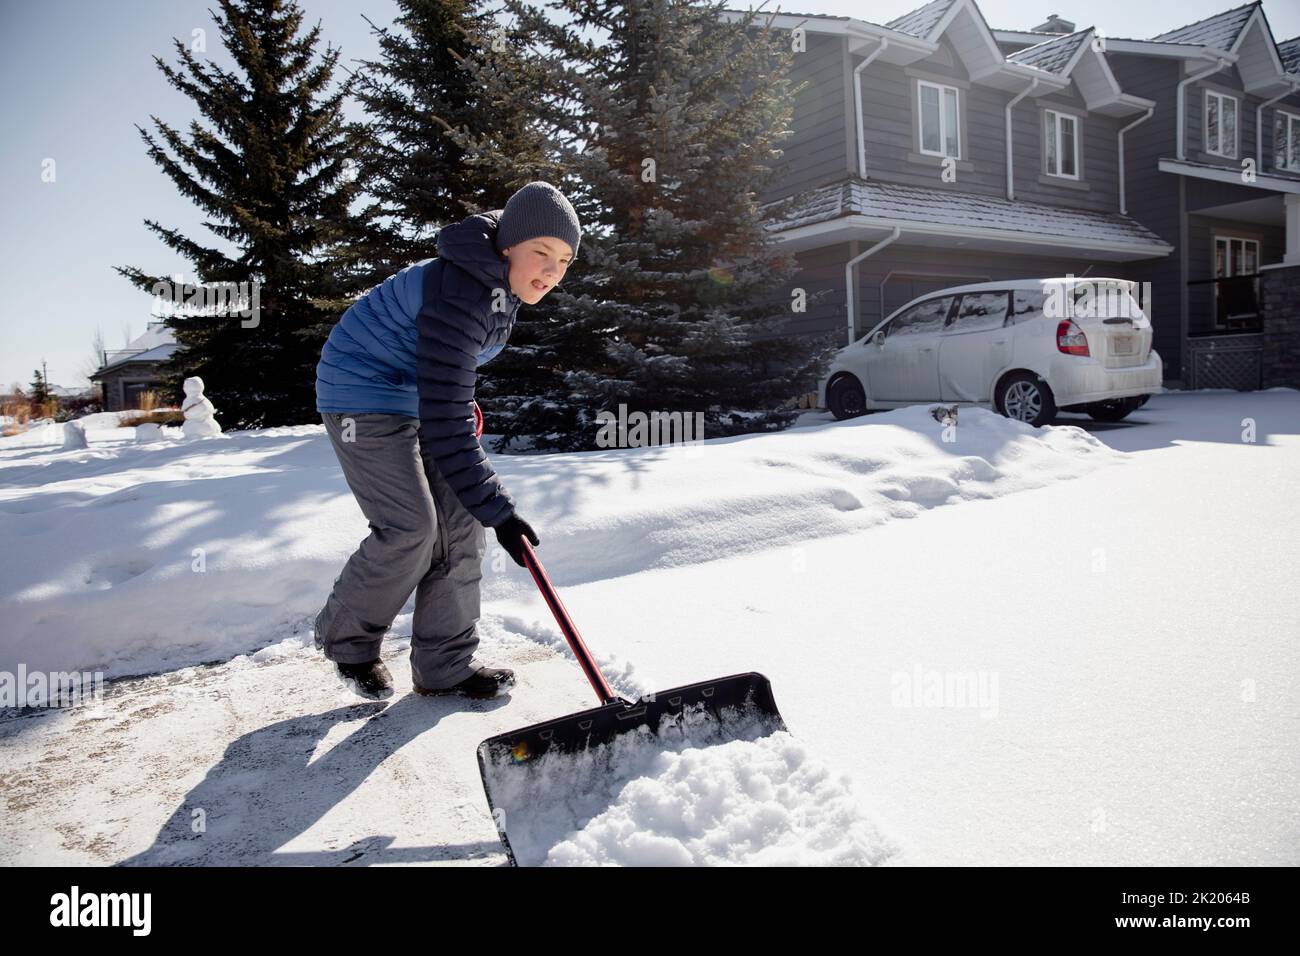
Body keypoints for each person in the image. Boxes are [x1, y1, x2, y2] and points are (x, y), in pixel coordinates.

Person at [313, 181, 580, 700]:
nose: (551, 271)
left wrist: (483, 505)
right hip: (360, 393)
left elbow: (448, 378)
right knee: (411, 526)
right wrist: (501, 509)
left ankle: (445, 666)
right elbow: (447, 415)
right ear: (507, 247)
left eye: (564, 260)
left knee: (461, 528)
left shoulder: (501, 285)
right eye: (540, 253)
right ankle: (346, 642)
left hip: (416, 396)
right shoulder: (462, 290)